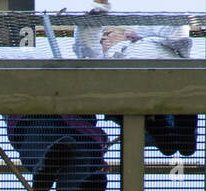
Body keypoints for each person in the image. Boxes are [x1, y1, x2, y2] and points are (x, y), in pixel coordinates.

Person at [74, 4, 198, 159]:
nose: (102, 38)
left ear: (126, 32)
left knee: (183, 144)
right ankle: (164, 124)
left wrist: (139, 33)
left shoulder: (153, 41)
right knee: (169, 145)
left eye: (108, 33)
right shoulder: (106, 58)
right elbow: (85, 44)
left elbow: (178, 27)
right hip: (135, 90)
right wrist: (97, 10)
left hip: (168, 76)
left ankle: (181, 121)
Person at [5, 115, 109, 191]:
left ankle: (43, 169)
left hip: (33, 117)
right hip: (83, 132)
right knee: (80, 163)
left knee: (36, 146)